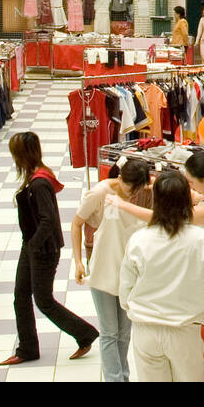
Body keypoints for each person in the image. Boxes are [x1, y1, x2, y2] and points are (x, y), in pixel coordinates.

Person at [118, 170, 204, 382]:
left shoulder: (139, 239)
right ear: (187, 200)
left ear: (156, 201)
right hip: (183, 331)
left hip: (145, 329)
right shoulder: (201, 239)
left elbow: (125, 289)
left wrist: (135, 307)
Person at [3, 132, 98, 365]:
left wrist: (34, 245)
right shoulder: (35, 177)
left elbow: (48, 220)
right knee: (21, 296)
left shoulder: (40, 182)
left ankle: (85, 334)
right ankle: (27, 348)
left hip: (43, 249)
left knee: (44, 300)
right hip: (34, 246)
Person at [70, 156, 152, 382]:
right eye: (131, 187)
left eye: (139, 188)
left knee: (124, 332)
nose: (134, 193)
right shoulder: (99, 193)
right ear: (121, 177)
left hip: (129, 271)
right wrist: (78, 261)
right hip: (102, 267)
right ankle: (114, 379)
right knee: (109, 332)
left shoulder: (138, 191)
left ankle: (122, 376)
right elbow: (76, 223)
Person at [112, 148, 204, 252]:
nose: (190, 186)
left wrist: (122, 204)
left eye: (191, 182)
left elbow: (161, 218)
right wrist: (161, 184)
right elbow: (194, 196)